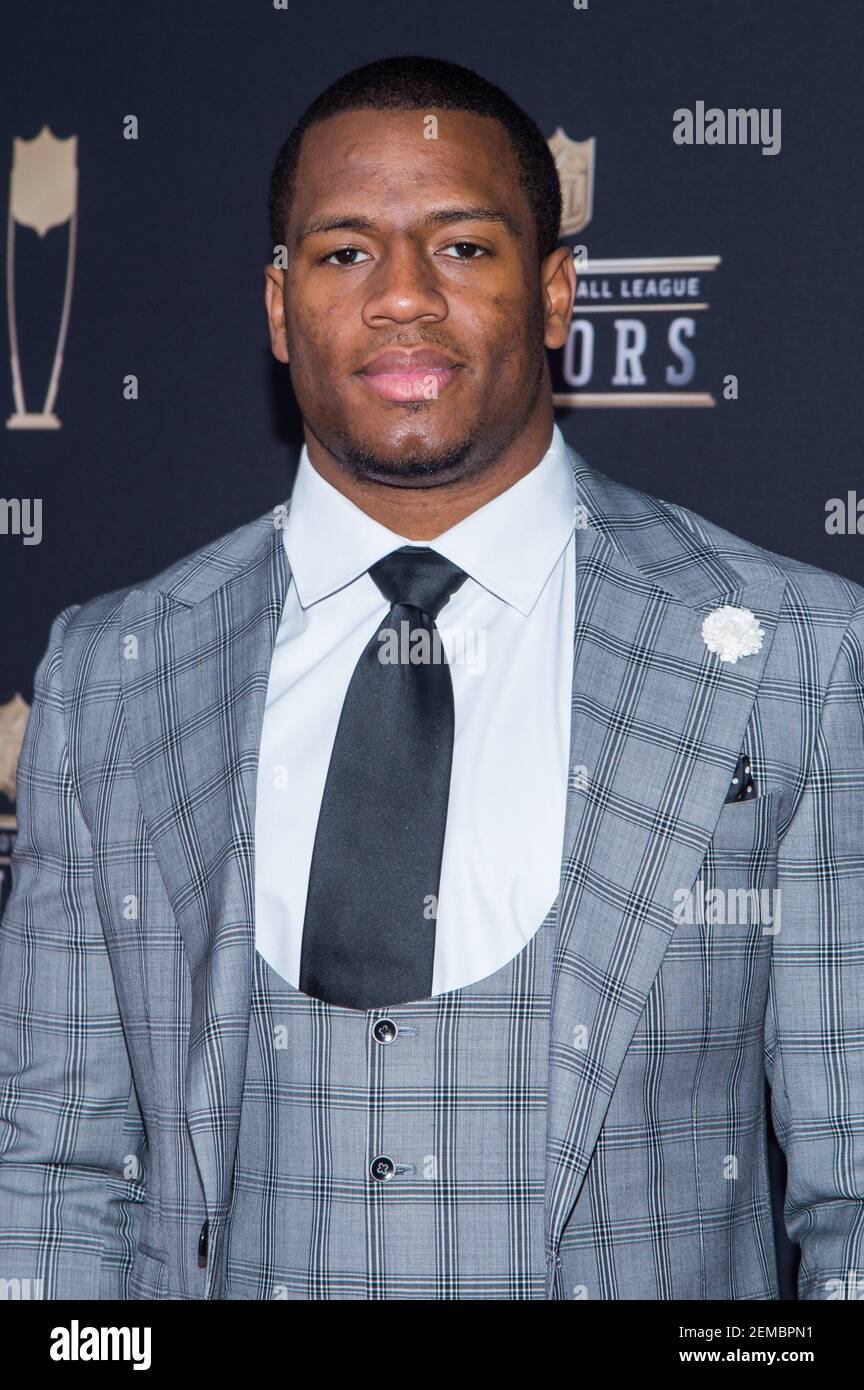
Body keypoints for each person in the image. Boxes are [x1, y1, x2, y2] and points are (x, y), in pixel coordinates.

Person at [0, 54, 862, 1302]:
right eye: (346, 253)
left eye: (461, 247)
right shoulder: (115, 669)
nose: (403, 297)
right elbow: (52, 1169)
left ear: (559, 294)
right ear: (280, 306)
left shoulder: (793, 653)